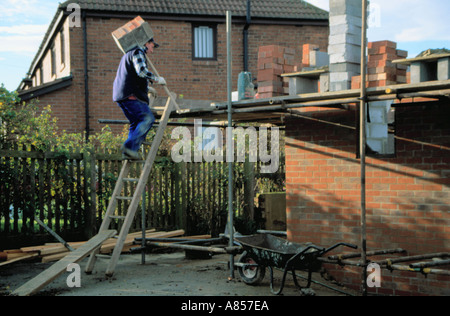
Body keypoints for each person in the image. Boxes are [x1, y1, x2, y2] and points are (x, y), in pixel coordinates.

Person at [113, 38, 166, 160]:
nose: (152, 50)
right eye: (152, 46)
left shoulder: (128, 54)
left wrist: (147, 88)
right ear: (146, 43)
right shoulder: (137, 52)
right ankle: (129, 147)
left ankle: (128, 153)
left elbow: (133, 76)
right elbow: (141, 72)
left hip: (121, 95)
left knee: (136, 123)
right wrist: (157, 79)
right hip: (131, 95)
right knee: (148, 118)